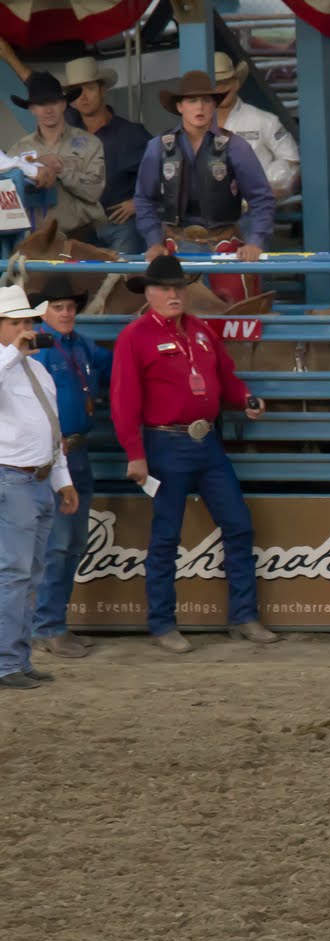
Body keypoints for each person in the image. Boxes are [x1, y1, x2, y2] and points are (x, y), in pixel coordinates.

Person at [109, 255, 276, 653]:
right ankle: (163, 623)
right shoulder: (134, 338)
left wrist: (244, 398)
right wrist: (135, 453)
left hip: (206, 441)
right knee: (166, 535)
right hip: (164, 443)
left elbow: (225, 377)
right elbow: (123, 401)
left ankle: (243, 615)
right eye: (165, 289)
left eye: (178, 288)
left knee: (238, 524)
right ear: (148, 294)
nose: (173, 295)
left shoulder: (201, 331)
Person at [132, 70, 275, 309]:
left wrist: (255, 241)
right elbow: (144, 199)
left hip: (225, 243)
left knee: (237, 315)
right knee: (173, 314)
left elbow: (261, 198)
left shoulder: (235, 146)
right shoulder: (158, 147)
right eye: (192, 101)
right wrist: (153, 241)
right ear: (180, 107)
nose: (200, 107)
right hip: (176, 244)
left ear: (214, 106)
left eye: (206, 100)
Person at [26, 275, 110, 659]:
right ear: (43, 311)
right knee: (60, 543)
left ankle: (51, 623)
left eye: (70, 307)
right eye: (58, 307)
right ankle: (48, 626)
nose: (65, 313)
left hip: (76, 452)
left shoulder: (81, 346)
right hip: (54, 454)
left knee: (71, 542)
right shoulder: (38, 350)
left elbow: (115, 365)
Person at [0, 285, 78, 690]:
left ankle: (17, 658)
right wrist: (15, 351)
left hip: (38, 477)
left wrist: (62, 480)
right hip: (11, 477)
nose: (24, 329)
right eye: (15, 323)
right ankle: (7, 662)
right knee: (15, 573)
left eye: (28, 321)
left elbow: (53, 430)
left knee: (29, 573)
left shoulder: (39, 370)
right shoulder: (10, 363)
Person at [62, 57, 151, 255]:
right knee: (80, 283)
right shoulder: (66, 129)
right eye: (76, 92)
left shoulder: (132, 134)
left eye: (89, 88)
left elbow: (164, 174)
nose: (83, 97)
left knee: (122, 281)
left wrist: (138, 203)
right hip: (79, 227)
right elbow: (38, 93)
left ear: (103, 89)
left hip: (120, 225)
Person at [9, 72, 106, 239]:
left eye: (54, 102)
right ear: (32, 109)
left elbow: (94, 192)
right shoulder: (18, 149)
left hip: (80, 236)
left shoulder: (91, 143)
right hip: (36, 240)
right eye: (41, 104)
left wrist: (60, 168)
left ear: (64, 104)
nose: (48, 110)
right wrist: (32, 169)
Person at [213, 52, 300, 201]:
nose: (220, 89)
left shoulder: (265, 120)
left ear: (236, 84)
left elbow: (292, 161)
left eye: (225, 83)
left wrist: (274, 191)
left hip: (252, 209)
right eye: (215, 84)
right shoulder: (196, 123)